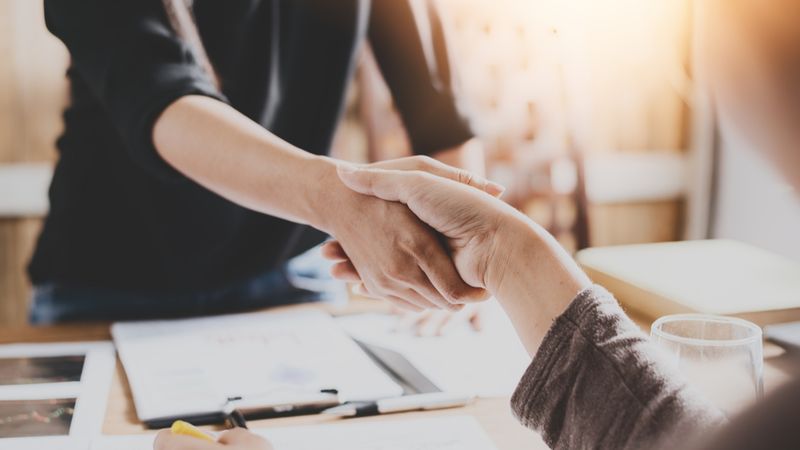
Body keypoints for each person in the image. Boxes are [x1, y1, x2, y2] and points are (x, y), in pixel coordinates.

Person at [154, 0, 800, 448]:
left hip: (296, 267)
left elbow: (438, 105)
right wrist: (491, 243)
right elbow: (159, 93)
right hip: (125, 267)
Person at [30, 0, 495, 325]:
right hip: (109, 286)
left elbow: (441, 117)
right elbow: (165, 103)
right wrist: (334, 199)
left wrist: (462, 262)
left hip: (293, 273)